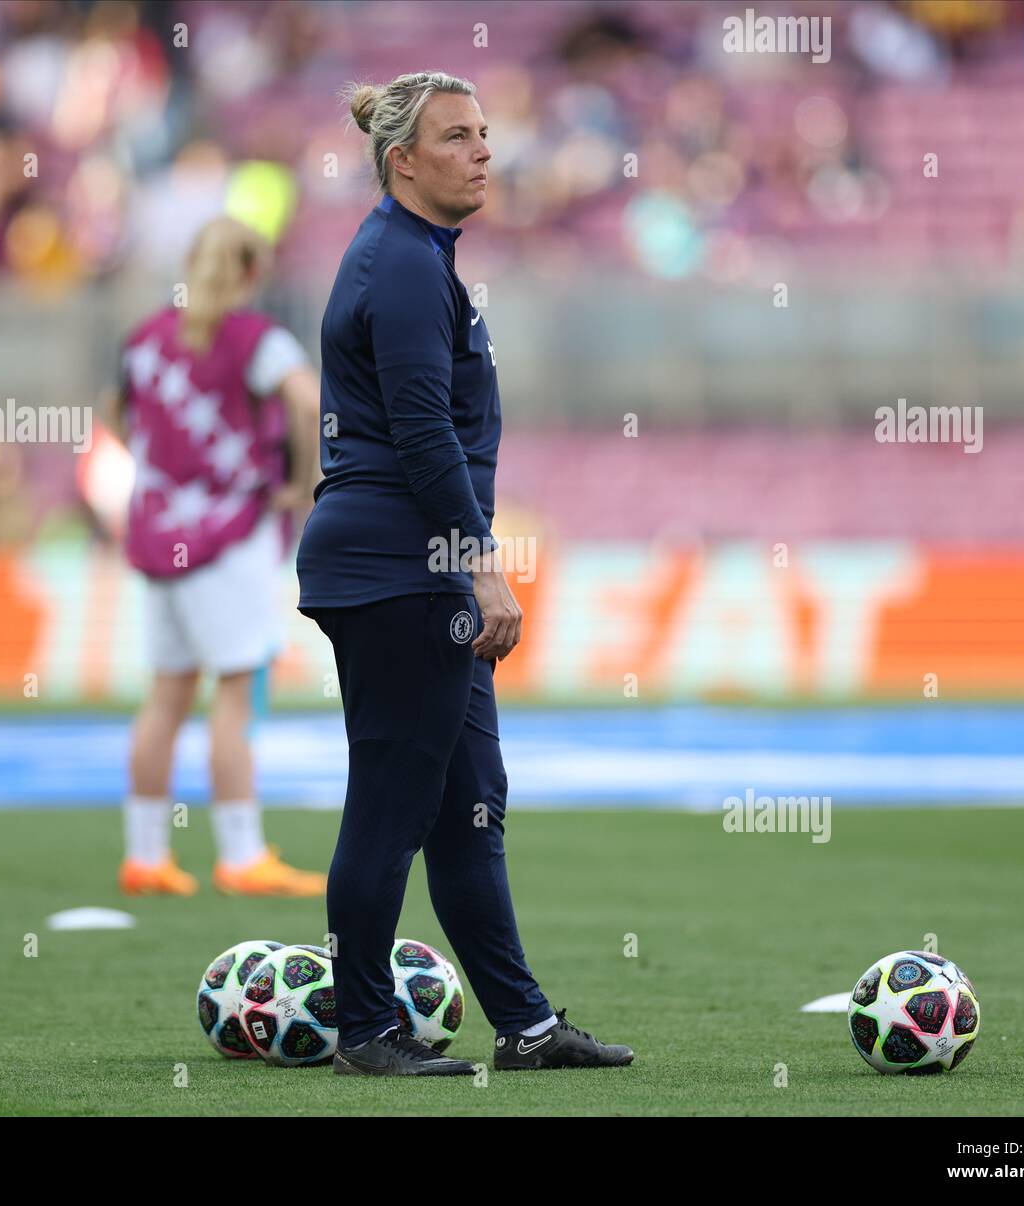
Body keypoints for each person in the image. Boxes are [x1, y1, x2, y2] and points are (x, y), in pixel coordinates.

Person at [297, 72, 634, 1074]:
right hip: (397, 566)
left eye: (485, 133)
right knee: (394, 801)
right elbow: (419, 431)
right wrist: (479, 567)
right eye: (457, 136)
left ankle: (526, 1027)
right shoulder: (400, 264)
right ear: (403, 161)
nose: (484, 151)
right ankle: (363, 1029)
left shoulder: (415, 259)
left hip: (411, 561)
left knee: (469, 802)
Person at [116, 216, 327, 898]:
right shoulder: (254, 338)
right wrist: (306, 480)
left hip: (156, 529)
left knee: (166, 692)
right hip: (227, 531)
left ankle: (145, 855)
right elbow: (310, 399)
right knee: (233, 695)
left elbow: (114, 415)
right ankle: (241, 854)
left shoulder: (146, 337)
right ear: (251, 274)